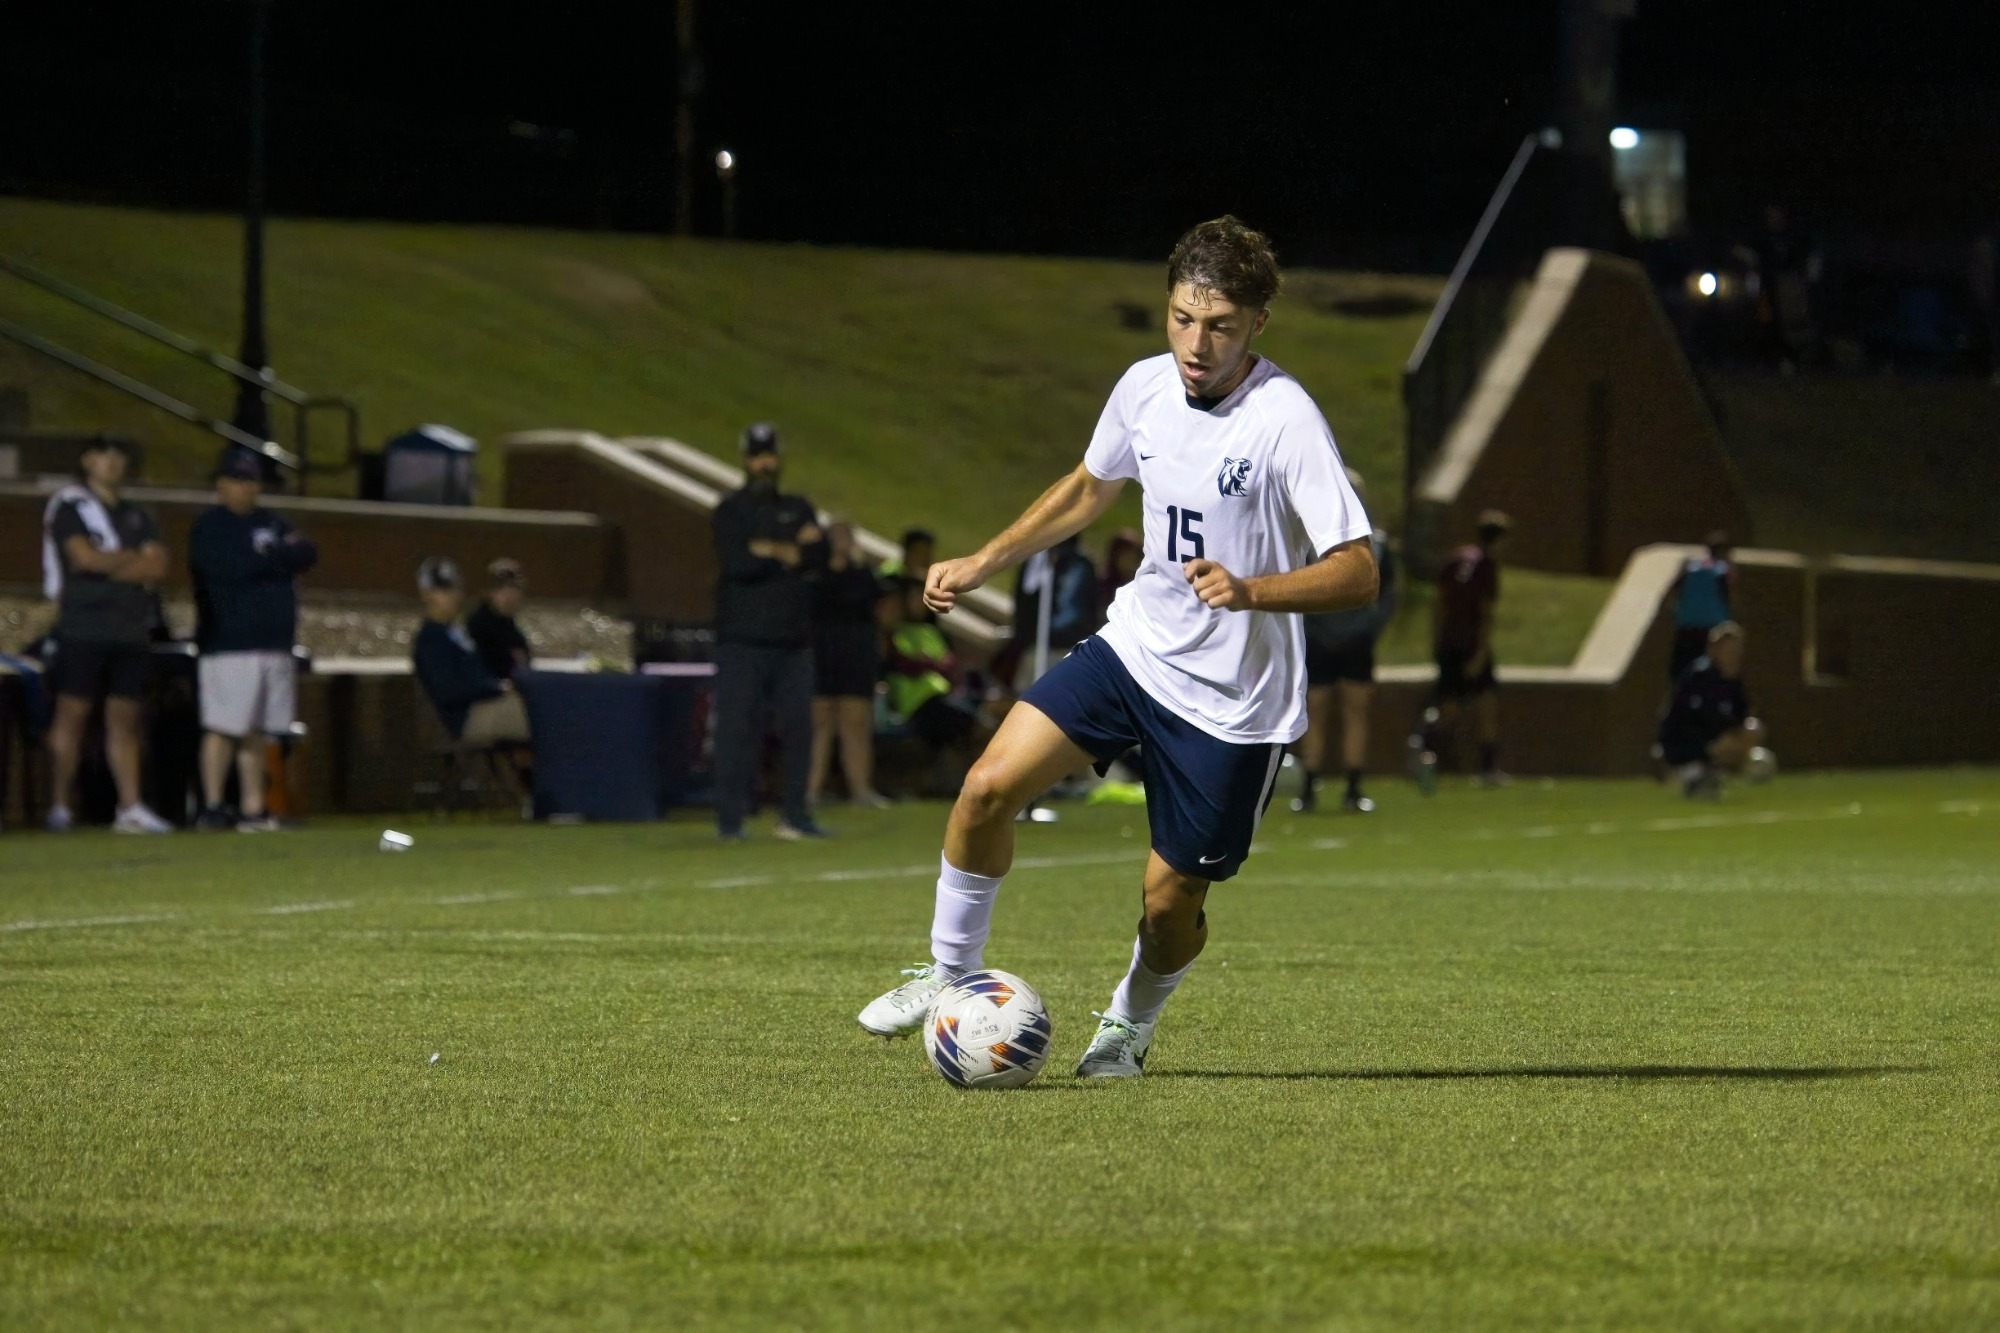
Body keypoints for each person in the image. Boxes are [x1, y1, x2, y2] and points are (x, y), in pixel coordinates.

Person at [855, 216, 1376, 1078]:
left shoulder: (1285, 419)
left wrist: (1252, 589)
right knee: (986, 787)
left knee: (1170, 905)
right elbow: (1087, 489)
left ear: (1257, 324)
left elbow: (1357, 570)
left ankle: (1127, 1024)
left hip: (1233, 705)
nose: (1195, 345)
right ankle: (949, 972)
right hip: (1136, 648)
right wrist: (985, 560)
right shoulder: (1143, 388)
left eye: (1220, 326)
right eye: (1182, 318)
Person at [40, 437, 174, 833]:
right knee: (72, 714)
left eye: (119, 456)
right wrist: (130, 559)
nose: (113, 463)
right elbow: (82, 558)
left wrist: (109, 563)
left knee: (125, 719)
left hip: (130, 629)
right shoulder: (71, 508)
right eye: (105, 456)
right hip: (83, 626)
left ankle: (130, 805)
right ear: (88, 461)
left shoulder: (137, 514)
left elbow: (156, 568)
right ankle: (60, 804)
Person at [188, 448, 319, 831]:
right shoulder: (211, 527)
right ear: (221, 484)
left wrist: (268, 557)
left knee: (257, 729)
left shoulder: (269, 521)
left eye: (251, 480)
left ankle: (253, 808)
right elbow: (231, 569)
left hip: (273, 641)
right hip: (229, 642)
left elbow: (306, 552)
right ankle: (212, 806)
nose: (246, 488)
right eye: (238, 480)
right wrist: (274, 558)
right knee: (224, 726)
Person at [710, 422, 828, 841]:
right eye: (757, 456)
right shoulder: (730, 510)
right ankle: (730, 819)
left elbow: (818, 557)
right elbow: (738, 563)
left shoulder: (798, 505)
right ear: (745, 460)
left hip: (793, 642)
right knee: (736, 730)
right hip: (742, 641)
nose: (765, 464)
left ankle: (794, 814)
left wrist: (767, 549)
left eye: (770, 455)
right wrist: (789, 549)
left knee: (798, 730)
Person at [1293, 468, 1397, 814]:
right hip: (1325, 639)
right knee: (1318, 710)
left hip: (1350, 640)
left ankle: (1350, 786)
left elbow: (1387, 595)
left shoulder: (1375, 544)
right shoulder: (1309, 542)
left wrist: (1367, 629)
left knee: (1351, 711)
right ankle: (1311, 786)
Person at [1415, 509, 1510, 787]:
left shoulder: (1456, 559)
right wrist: (1480, 653)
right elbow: (1485, 614)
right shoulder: (1487, 567)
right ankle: (1485, 766)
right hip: (1470, 645)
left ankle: (1423, 748)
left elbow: (1439, 604)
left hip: (1448, 643)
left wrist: (1436, 641)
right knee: (1485, 705)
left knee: (1450, 704)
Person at [808, 520, 889, 808]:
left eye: (846, 536)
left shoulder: (862, 574)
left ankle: (861, 789)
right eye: (836, 536)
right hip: (821, 653)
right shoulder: (815, 573)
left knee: (856, 721)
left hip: (855, 654)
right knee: (820, 722)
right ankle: (810, 790)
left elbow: (873, 605)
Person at [411, 557, 531, 746]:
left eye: (454, 589)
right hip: (467, 718)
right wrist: (496, 688)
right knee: (541, 713)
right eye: (442, 590)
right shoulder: (431, 638)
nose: (451, 596)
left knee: (539, 707)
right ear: (427, 595)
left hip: (482, 709)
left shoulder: (454, 633)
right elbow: (450, 689)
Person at [1657, 621, 1765, 798]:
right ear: (1714, 649)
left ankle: (1721, 774)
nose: (1733, 654)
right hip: (1684, 742)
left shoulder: (1732, 680)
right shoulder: (1700, 675)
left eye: (1736, 649)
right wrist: (1722, 737)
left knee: (1753, 729)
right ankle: (1693, 774)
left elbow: (1743, 714)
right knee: (1727, 742)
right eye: (1728, 649)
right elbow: (1696, 717)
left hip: (1710, 740)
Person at [1003, 533, 1098, 691]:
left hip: (1067, 649)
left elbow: (1087, 608)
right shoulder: (1036, 562)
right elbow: (1023, 601)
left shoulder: (1080, 566)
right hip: (1037, 646)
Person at [1668, 532, 1733, 681]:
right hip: (1712, 629)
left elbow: (1673, 591)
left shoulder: (1691, 567)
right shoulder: (1722, 570)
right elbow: (1729, 596)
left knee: (1681, 669)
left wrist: (1677, 612)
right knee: (1710, 671)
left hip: (1686, 626)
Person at [466, 558, 531, 681]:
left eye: (513, 588)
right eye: (499, 589)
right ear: (487, 593)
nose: (508, 595)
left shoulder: (507, 625)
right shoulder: (479, 625)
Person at [1096, 527, 1142, 627]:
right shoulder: (1103, 582)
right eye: (1121, 551)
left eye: (1131, 552)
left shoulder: (1142, 584)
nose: (1127, 557)